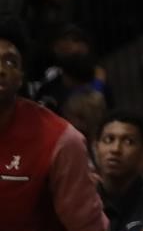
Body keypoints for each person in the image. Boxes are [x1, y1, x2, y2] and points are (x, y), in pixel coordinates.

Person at [0, 19, 106, 231]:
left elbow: (88, 227)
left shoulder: (60, 140)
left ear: (21, 78)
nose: (0, 69)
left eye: (10, 62)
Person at [98, 109, 143, 231]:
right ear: (96, 146)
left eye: (128, 142)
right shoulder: (83, 197)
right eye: (108, 139)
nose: (115, 149)